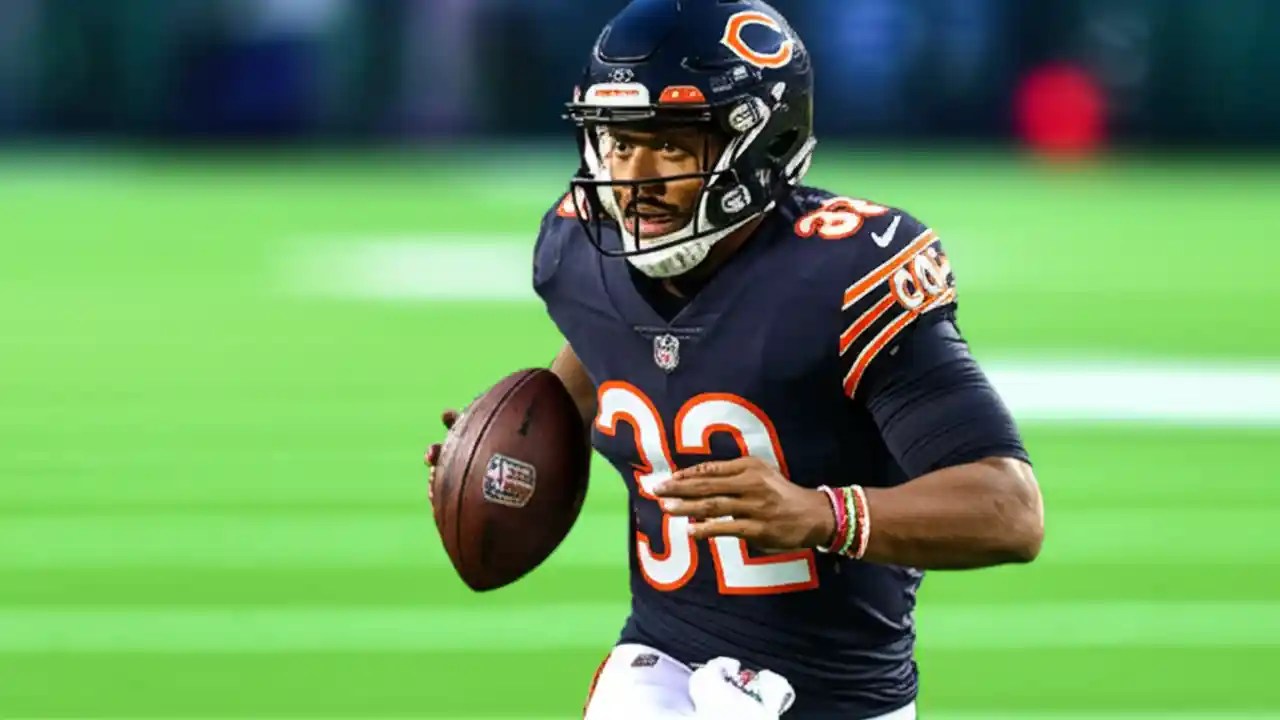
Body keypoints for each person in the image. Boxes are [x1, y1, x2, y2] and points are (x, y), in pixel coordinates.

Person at [426, 1, 1044, 717]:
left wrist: (820, 514)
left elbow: (1010, 510)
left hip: (829, 698)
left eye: (671, 146)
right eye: (618, 142)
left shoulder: (841, 273)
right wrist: (503, 448)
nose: (634, 178)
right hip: (660, 656)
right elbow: (604, 355)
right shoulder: (581, 255)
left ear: (761, 142)